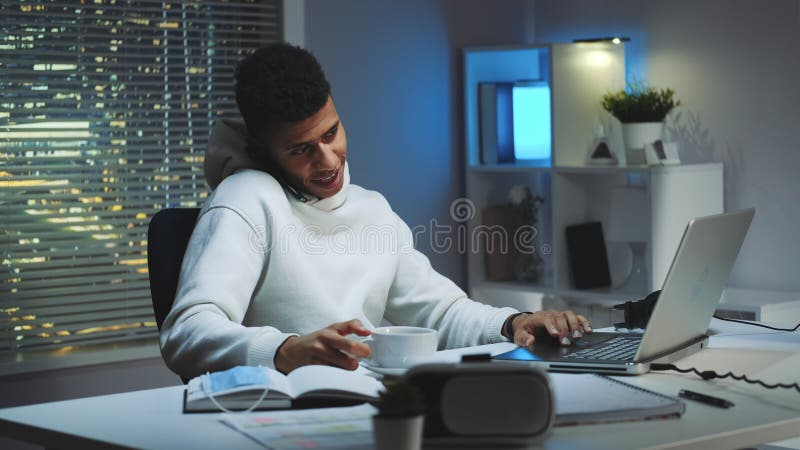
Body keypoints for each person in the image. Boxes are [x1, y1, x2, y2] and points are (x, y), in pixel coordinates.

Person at [159, 43, 591, 379]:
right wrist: (285, 350)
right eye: (300, 149)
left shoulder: (372, 210)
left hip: (367, 400)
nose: (327, 160)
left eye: (332, 133)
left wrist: (515, 322)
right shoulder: (244, 200)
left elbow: (441, 312)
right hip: (282, 414)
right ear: (263, 150)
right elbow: (187, 332)